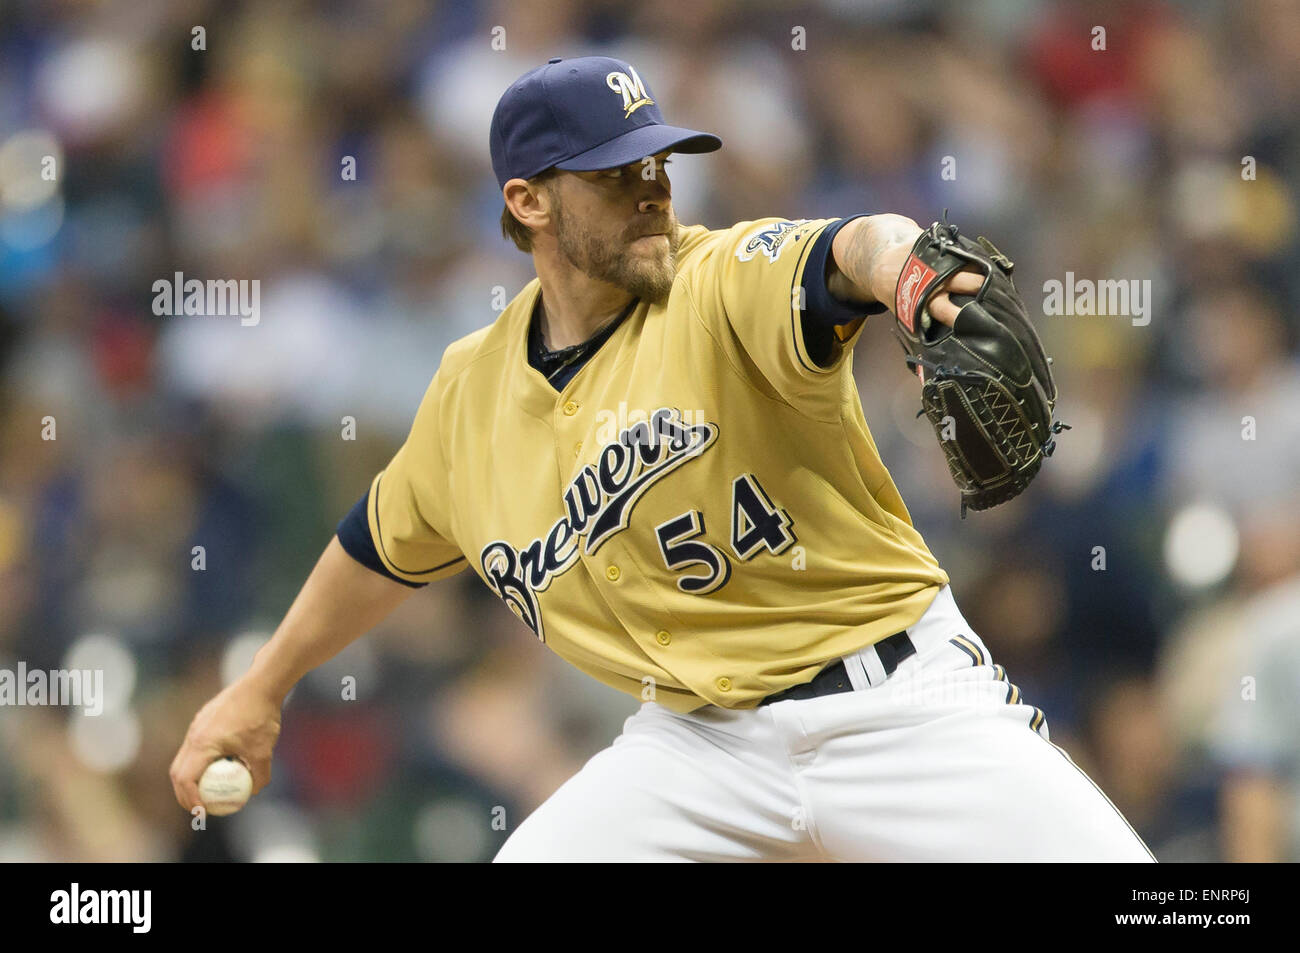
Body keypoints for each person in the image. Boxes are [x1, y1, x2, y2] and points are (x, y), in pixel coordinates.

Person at [171, 55, 1155, 862]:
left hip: (897, 705)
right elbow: (378, 545)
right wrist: (260, 686)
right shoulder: (471, 396)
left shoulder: (718, 280)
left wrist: (909, 280)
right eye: (615, 174)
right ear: (529, 201)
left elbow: (853, 246)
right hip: (697, 747)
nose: (652, 191)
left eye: (658, 163)